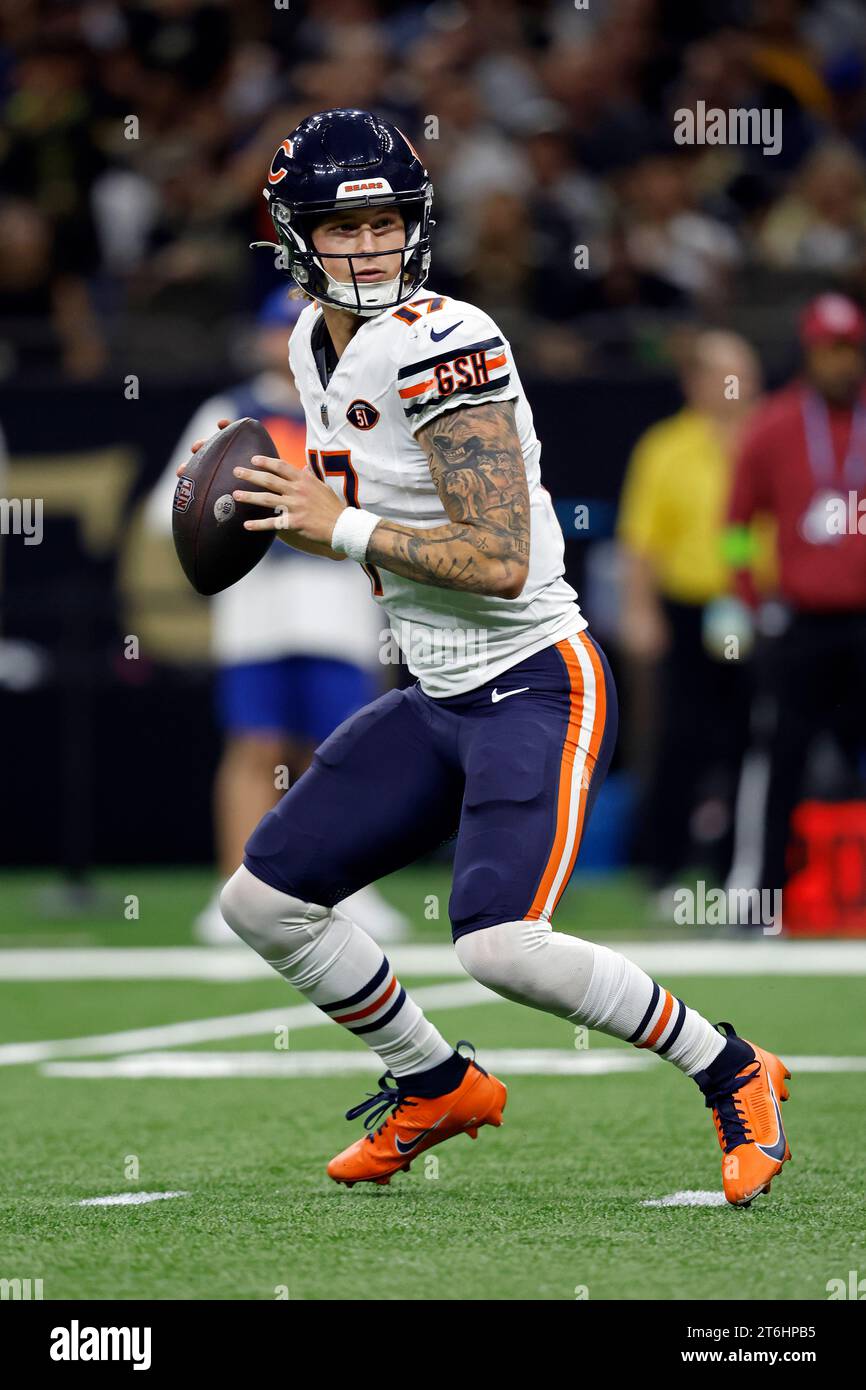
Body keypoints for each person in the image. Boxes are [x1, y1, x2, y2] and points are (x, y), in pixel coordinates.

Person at [202, 109, 791, 1207]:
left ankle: (732, 1066)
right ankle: (432, 1080)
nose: (369, 245)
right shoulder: (305, 340)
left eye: (386, 221)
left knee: (502, 944)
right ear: (292, 236)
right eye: (342, 226)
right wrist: (283, 514)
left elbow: (500, 557)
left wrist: (330, 524)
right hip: (434, 688)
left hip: (530, 676)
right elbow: (373, 515)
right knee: (263, 902)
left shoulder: (441, 338)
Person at [148, 288, 408, 943]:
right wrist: (233, 512)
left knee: (343, 751)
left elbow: (397, 511)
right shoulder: (229, 415)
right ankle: (234, 891)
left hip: (341, 610)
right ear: (263, 339)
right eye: (280, 330)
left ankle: (353, 892)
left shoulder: (362, 414)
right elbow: (166, 512)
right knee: (255, 747)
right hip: (255, 613)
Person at [727, 292, 866, 901]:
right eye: (830, 350)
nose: (842, 362)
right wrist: (750, 598)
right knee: (781, 759)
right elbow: (734, 526)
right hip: (801, 625)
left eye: (851, 349)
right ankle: (763, 897)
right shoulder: (776, 425)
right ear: (810, 353)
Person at [617, 331, 766, 898]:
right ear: (698, 381)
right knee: (682, 737)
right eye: (729, 374)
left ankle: (741, 872)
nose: (742, 387)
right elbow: (640, 539)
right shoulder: (667, 446)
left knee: (751, 739)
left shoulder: (768, 436)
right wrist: (640, 609)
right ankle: (663, 869)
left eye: (747, 372)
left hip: (759, 607)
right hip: (688, 608)